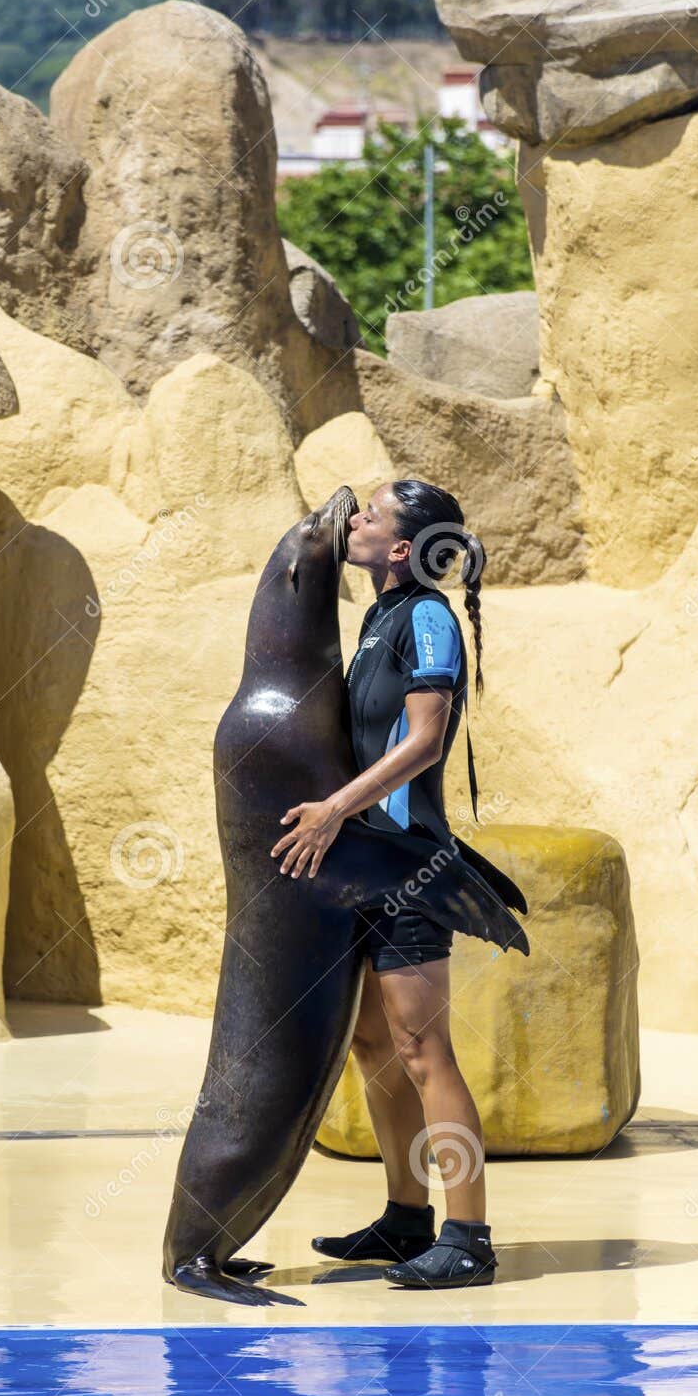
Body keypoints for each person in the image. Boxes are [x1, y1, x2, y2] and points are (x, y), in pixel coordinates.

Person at [270, 478, 498, 1291]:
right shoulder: (377, 618)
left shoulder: (428, 618)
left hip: (407, 861)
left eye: (366, 516)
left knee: (421, 1047)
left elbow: (427, 740)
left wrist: (334, 809)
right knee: (371, 1042)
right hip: (361, 863)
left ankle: (467, 1236)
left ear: (401, 549)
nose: (353, 523)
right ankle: (407, 1221)